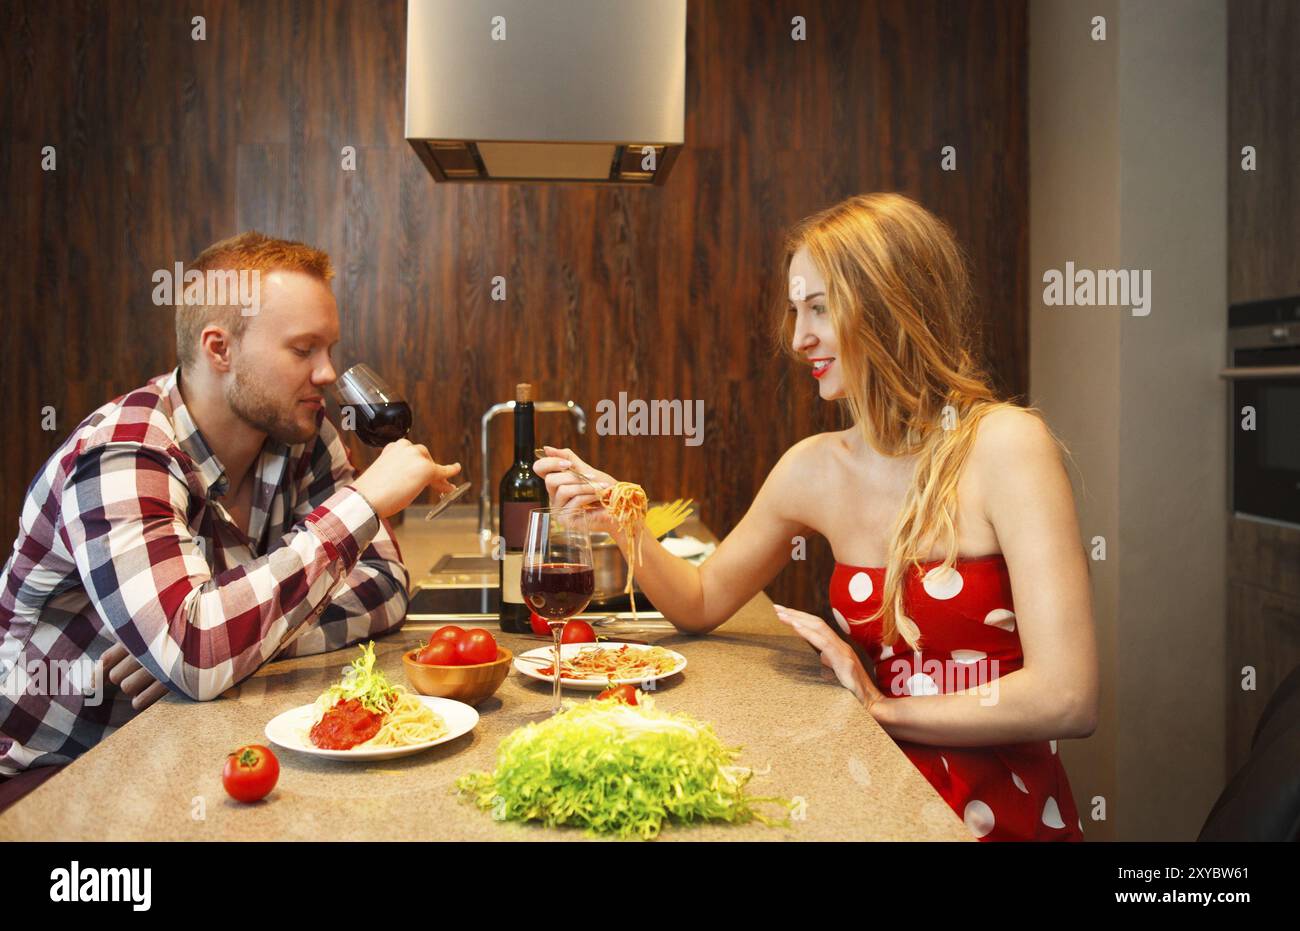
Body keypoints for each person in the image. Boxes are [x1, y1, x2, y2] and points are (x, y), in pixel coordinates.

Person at [535, 193, 1099, 842]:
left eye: (819, 309)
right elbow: (699, 599)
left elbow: (1068, 695)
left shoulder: (1007, 444)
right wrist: (623, 518)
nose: (798, 338)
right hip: (867, 791)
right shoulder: (813, 467)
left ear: (892, 306)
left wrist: (887, 708)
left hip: (997, 813)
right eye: (795, 310)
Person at [0, 232, 458, 808]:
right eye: (303, 350)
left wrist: (240, 643)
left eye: (329, 350)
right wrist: (363, 504)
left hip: (181, 755)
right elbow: (197, 652)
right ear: (220, 349)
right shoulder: (122, 455)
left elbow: (388, 587)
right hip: (56, 777)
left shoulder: (302, 440)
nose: (327, 374)